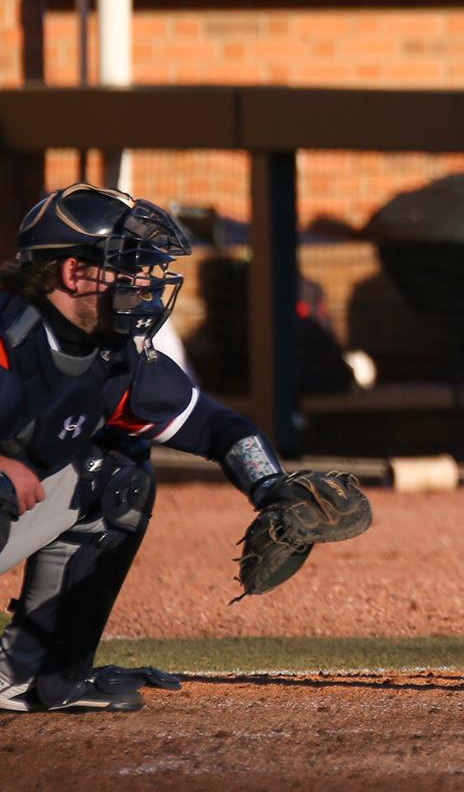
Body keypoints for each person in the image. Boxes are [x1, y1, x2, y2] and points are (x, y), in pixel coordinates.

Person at [1, 185, 371, 712]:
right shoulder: (9, 332)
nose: (144, 284)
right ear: (75, 274)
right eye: (128, 267)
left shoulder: (113, 354)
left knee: (118, 476)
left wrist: (270, 486)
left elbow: (214, 425)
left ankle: (31, 675)